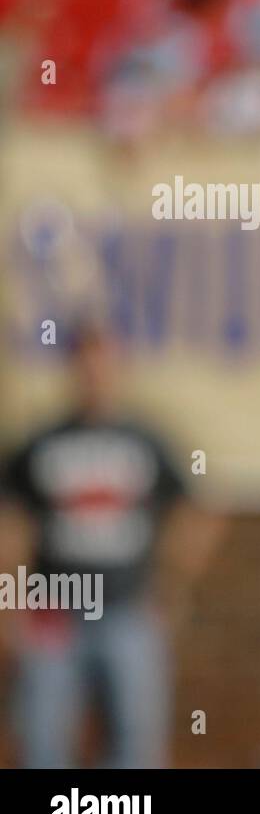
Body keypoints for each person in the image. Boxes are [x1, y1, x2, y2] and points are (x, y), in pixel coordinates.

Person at [0, 321, 221, 768]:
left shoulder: (144, 440)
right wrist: (11, 604)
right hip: (54, 616)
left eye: (103, 362)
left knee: (133, 744)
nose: (94, 373)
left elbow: (199, 508)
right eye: (85, 362)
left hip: (127, 612)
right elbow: (12, 524)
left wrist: (171, 587)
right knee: (41, 739)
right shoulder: (43, 441)